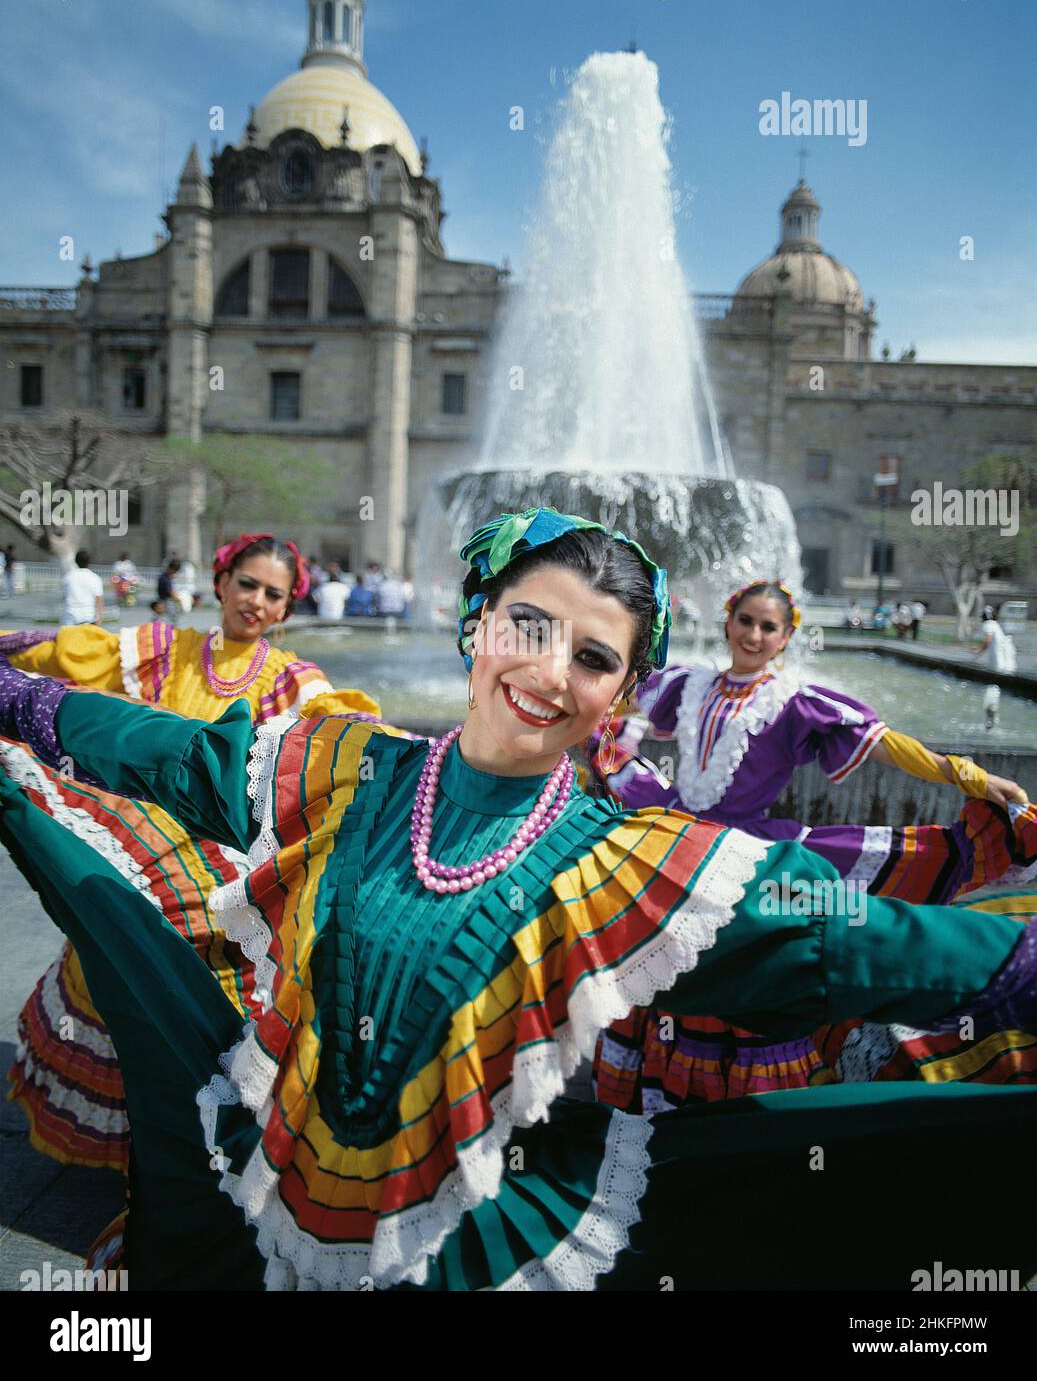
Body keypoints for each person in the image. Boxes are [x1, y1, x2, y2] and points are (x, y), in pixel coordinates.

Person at [1, 507, 1036, 1292]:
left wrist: (1014, 971)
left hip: (456, 1241)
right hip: (261, 1181)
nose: (547, 672)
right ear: (474, 623)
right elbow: (162, 750)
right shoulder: (334, 764)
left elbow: (854, 940)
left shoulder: (635, 864)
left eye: (592, 657)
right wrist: (19, 699)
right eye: (526, 625)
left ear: (622, 695)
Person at [0, 533, 383, 1183]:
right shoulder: (162, 650)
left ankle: (181, 1167)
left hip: (219, 898)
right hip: (130, 861)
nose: (255, 601)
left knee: (190, 1028)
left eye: (273, 593)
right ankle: (134, 1165)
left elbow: (341, 743)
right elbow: (70, 655)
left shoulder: (295, 682)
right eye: (247, 584)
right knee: (111, 990)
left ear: (287, 608)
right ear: (220, 581)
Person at [589, 578, 1037, 1112]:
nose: (753, 635)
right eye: (745, 621)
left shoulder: (796, 702)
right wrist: (613, 726)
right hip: (676, 834)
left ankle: (731, 1104)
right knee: (668, 951)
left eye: (768, 627)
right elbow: (621, 686)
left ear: (785, 637)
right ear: (728, 622)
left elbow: (885, 744)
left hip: (749, 853)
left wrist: (969, 776)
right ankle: (656, 1089)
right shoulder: (688, 684)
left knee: (744, 955)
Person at [972, 604, 1018, 731]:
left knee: (993, 686)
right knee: (996, 687)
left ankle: (991, 710)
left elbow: (987, 640)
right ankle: (992, 713)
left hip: (998, 662)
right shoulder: (996, 625)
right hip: (1005, 661)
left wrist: (978, 651)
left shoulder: (989, 625)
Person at [60, 548, 104, 627]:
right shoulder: (95, 578)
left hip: (70, 616)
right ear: (89, 562)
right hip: (88, 616)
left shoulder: (68, 577)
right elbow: (99, 602)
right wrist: (99, 621)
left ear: (76, 562)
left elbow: (64, 597)